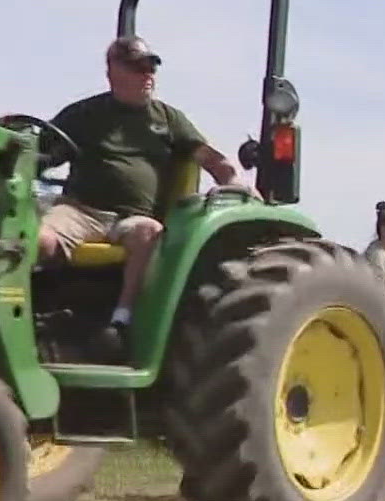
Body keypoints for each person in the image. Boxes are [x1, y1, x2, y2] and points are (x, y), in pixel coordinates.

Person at [40, 35, 240, 361]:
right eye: (138, 68)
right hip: (81, 210)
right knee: (39, 240)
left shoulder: (168, 118)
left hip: (133, 218)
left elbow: (213, 159)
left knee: (149, 232)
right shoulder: (85, 114)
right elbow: (42, 151)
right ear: (113, 73)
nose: (148, 75)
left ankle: (121, 320)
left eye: (151, 67)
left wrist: (232, 180)